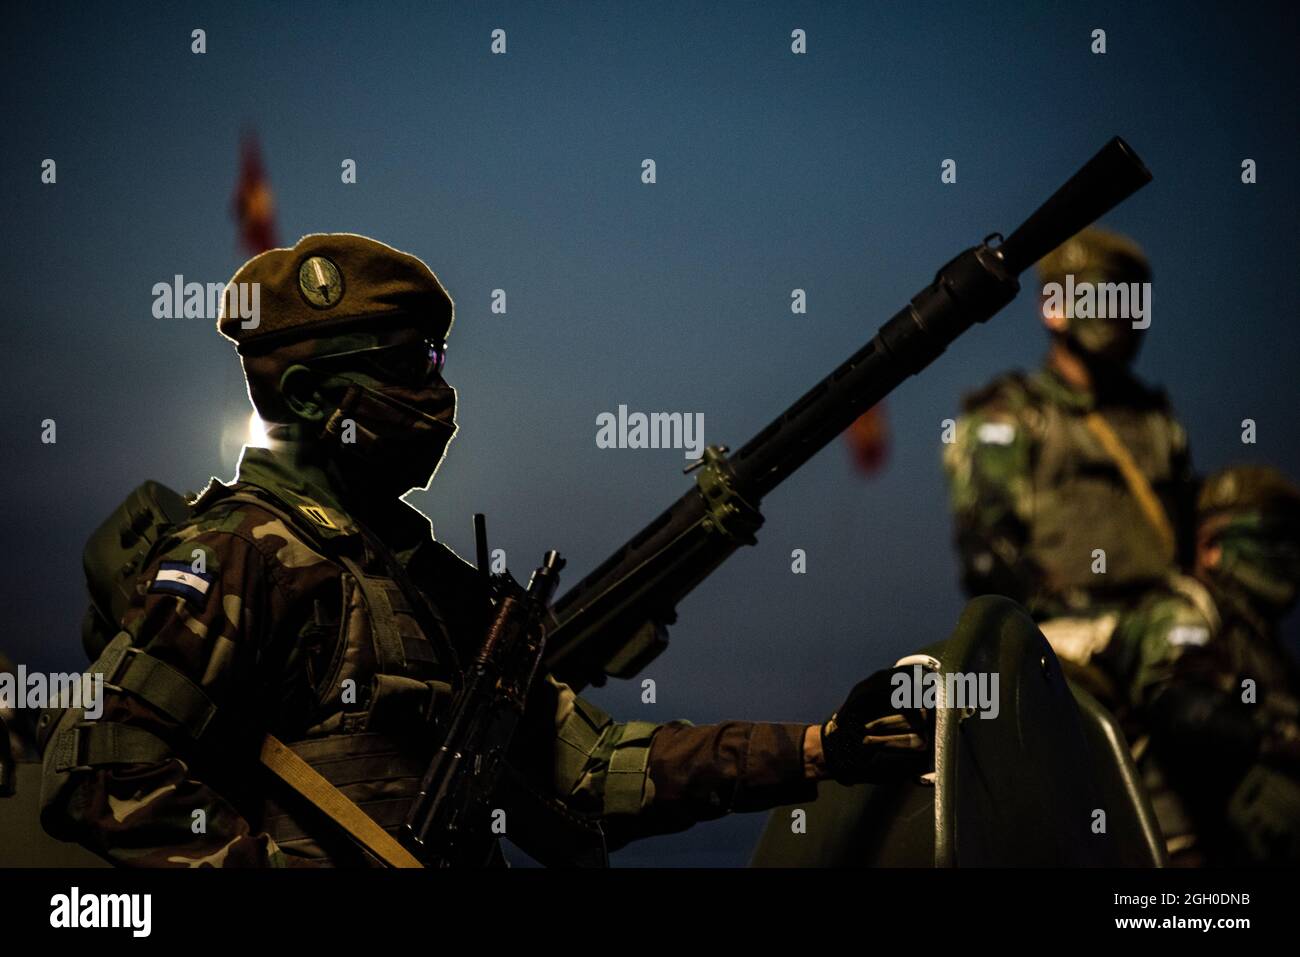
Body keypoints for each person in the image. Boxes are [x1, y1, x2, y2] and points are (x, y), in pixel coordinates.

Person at [39, 233, 925, 867]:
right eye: (411, 366)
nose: (440, 392)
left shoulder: (426, 584)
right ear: (311, 397)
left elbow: (591, 771)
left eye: (438, 359)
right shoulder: (242, 555)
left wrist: (816, 748)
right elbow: (98, 765)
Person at [1040, 465, 1300, 865]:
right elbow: (1185, 710)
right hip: (1169, 850)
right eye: (1272, 538)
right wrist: (1274, 741)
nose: (1286, 555)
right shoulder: (1181, 609)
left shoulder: (1257, 642)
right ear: (1211, 545)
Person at [943, 227, 1195, 620]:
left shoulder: (1157, 423)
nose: (1119, 311)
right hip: (1064, 641)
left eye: (1132, 299)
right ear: (1053, 307)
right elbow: (986, 554)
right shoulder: (1016, 414)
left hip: (1164, 633)